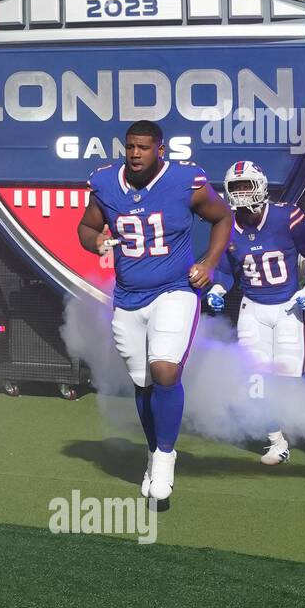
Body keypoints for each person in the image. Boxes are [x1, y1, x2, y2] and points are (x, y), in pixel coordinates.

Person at [77, 121, 233, 502]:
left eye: (143, 147)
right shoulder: (105, 183)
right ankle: (154, 450)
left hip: (175, 290)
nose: (135, 154)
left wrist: (209, 263)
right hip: (129, 295)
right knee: (143, 382)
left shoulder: (186, 181)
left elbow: (223, 217)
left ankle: (165, 457)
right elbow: (85, 226)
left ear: (159, 150)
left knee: (165, 369)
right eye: (130, 146)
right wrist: (95, 239)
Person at [205, 162, 305, 465]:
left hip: (287, 308)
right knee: (255, 380)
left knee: (286, 381)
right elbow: (224, 269)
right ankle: (276, 441)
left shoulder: (287, 215)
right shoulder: (228, 225)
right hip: (252, 308)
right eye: (237, 187)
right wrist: (218, 289)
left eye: (247, 185)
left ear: (260, 185)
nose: (243, 193)